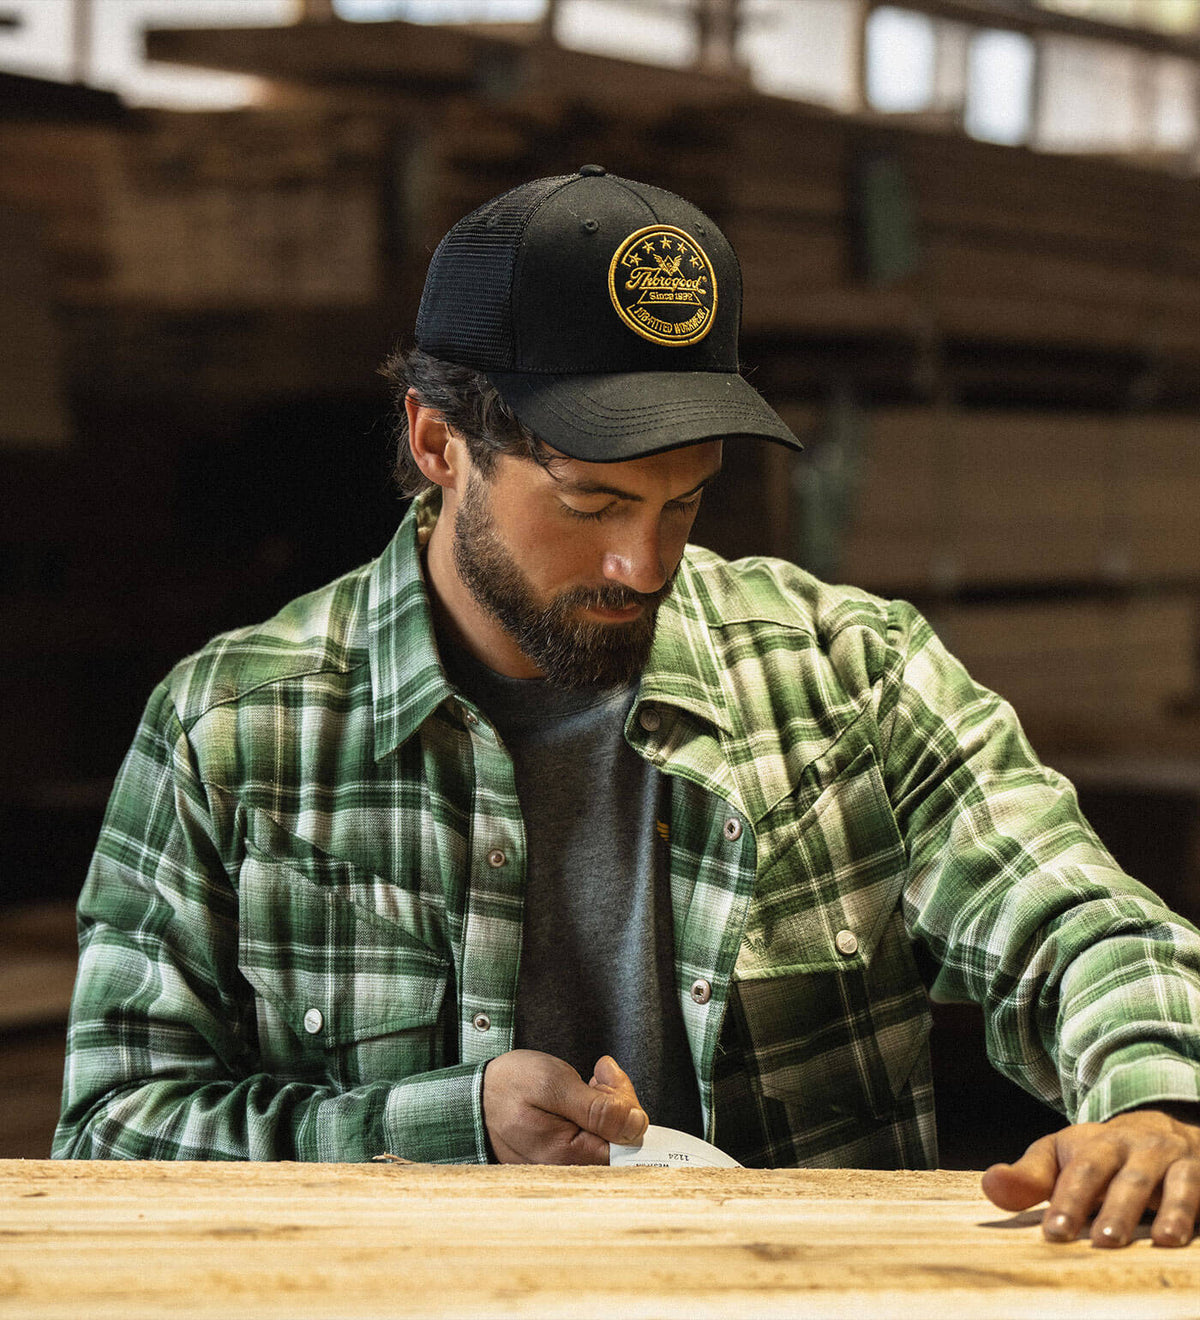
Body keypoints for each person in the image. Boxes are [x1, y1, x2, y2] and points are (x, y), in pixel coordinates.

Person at [56, 167, 1200, 1249]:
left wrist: (1158, 1103)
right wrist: (441, 1128)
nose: (641, 564)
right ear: (438, 440)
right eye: (593, 500)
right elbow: (108, 1134)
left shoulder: (850, 674)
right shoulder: (235, 732)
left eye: (684, 500)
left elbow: (1079, 924)